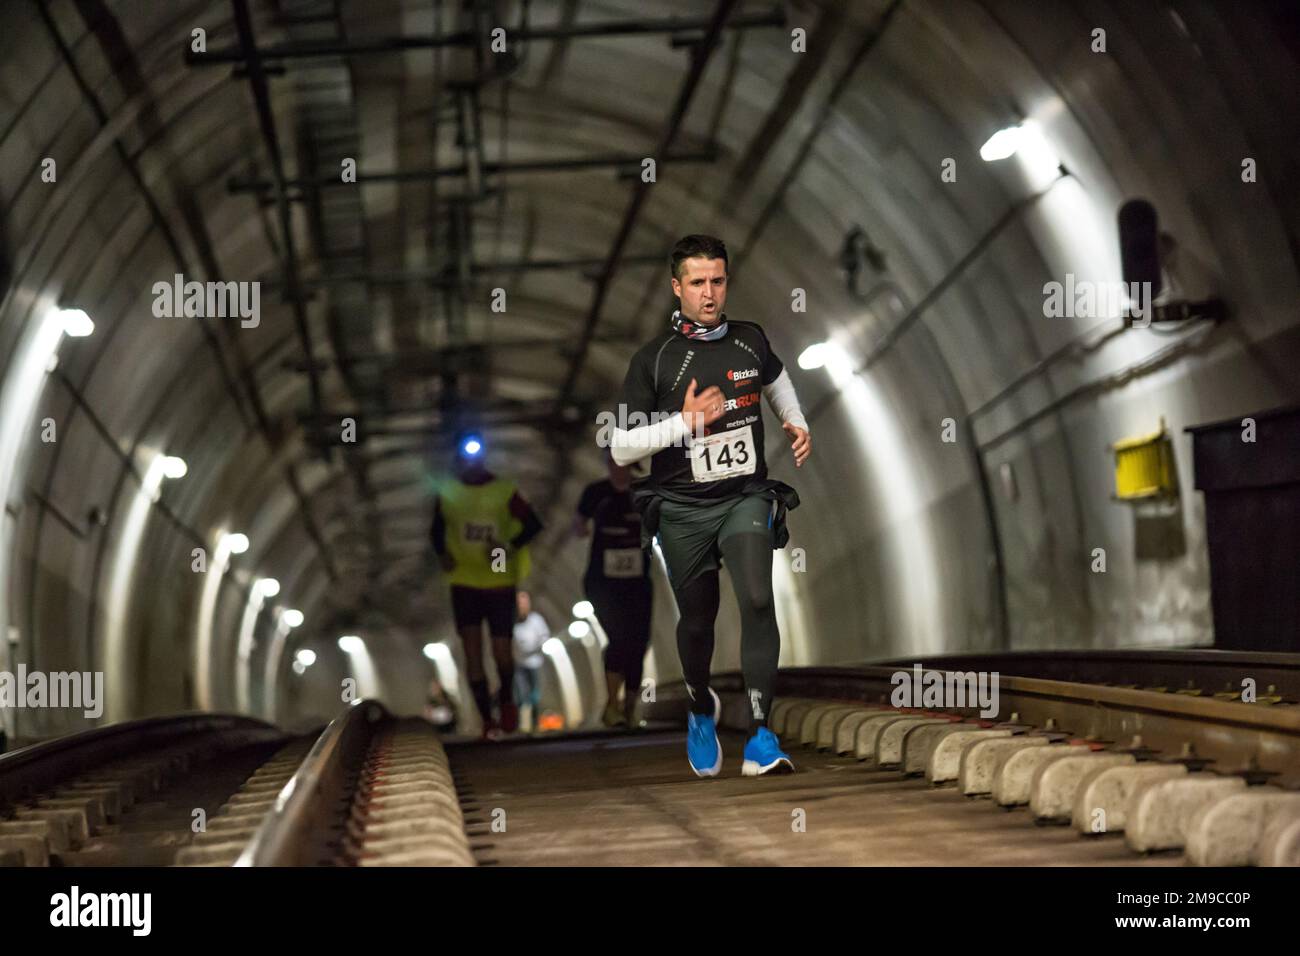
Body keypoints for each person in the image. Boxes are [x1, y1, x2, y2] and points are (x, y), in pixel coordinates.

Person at [607, 234, 811, 777]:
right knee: (698, 620)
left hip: (744, 495)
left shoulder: (748, 340)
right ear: (677, 288)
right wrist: (684, 422)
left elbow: (776, 377)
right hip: (681, 506)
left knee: (757, 598)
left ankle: (763, 735)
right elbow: (621, 446)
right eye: (697, 282)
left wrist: (795, 419)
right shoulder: (655, 361)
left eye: (717, 280)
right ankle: (701, 708)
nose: (709, 293)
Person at [431, 432, 544, 739]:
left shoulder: (504, 490)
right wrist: (443, 555)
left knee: (501, 650)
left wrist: (508, 546)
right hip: (465, 580)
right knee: (472, 652)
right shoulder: (448, 492)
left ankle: (506, 698)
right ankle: (486, 718)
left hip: (498, 576)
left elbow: (533, 523)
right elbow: (436, 530)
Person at [573, 450, 653, 728]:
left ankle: (630, 706)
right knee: (618, 638)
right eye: (611, 463)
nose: (616, 468)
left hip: (637, 581)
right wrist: (580, 527)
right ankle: (612, 703)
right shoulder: (596, 493)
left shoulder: (644, 492)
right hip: (603, 583)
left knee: (639, 641)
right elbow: (578, 524)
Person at [512, 591, 549, 732]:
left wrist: (537, 646)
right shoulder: (512, 622)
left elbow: (544, 636)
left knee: (534, 693)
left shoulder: (536, 620)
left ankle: (534, 723)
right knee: (520, 694)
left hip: (534, 663)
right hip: (518, 663)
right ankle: (520, 724)